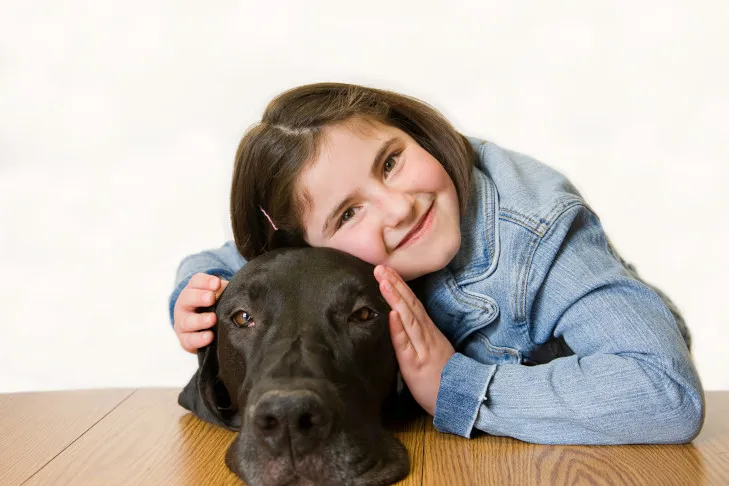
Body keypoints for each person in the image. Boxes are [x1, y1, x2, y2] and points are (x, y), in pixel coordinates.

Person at [168, 82, 704, 445]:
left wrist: (456, 385)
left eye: (391, 161)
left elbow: (665, 390)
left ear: (413, 130)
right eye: (350, 212)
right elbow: (228, 260)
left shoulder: (538, 234)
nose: (401, 207)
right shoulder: (307, 244)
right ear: (301, 244)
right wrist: (198, 295)